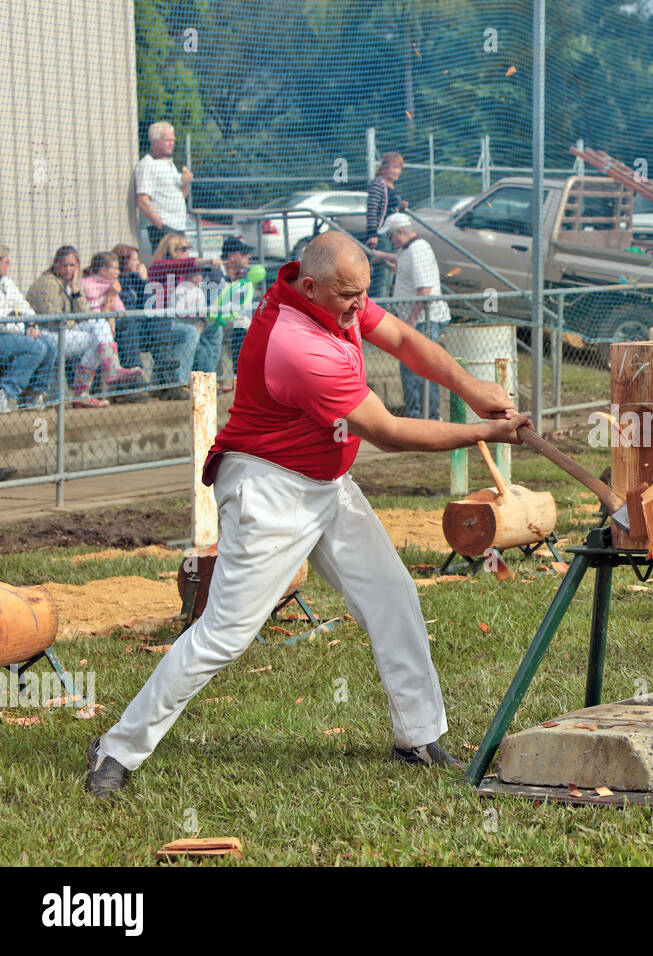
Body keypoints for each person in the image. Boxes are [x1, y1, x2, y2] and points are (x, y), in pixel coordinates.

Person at [84, 231, 528, 798]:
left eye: (362, 293)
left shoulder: (328, 291)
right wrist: (487, 431)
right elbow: (389, 433)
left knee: (393, 595)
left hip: (326, 481)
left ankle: (418, 736)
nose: (359, 306)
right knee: (224, 636)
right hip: (269, 488)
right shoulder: (297, 346)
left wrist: (467, 385)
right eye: (348, 296)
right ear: (311, 286)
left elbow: (402, 338)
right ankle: (117, 748)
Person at [27, 246, 130, 408]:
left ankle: (108, 372)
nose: (68, 269)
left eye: (72, 265)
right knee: (97, 341)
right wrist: (76, 321)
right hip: (46, 334)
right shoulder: (48, 283)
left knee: (100, 324)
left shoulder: (73, 282)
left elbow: (85, 313)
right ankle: (84, 391)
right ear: (55, 265)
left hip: (67, 330)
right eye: (64, 265)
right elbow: (54, 320)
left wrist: (75, 291)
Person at [377, 212, 451, 420]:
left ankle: (427, 415)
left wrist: (411, 319)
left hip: (422, 321)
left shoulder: (417, 250)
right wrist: (384, 256)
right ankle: (417, 413)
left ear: (400, 232)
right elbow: (405, 264)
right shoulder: (407, 250)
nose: (391, 240)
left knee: (420, 368)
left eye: (391, 236)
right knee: (411, 367)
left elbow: (424, 289)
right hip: (414, 320)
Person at [0, 242, 59, 414]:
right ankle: (4, 391)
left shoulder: (6, 282)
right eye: (5, 261)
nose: (9, 264)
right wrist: (23, 329)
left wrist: (32, 324)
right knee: (36, 347)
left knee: (50, 343)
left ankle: (33, 393)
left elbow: (24, 307)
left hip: (15, 332)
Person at [146, 231, 213, 399]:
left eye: (187, 248)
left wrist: (202, 323)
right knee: (189, 333)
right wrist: (208, 260)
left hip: (175, 320)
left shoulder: (182, 274)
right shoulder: (159, 266)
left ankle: (209, 381)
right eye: (182, 249)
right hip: (156, 323)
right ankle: (179, 383)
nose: (186, 252)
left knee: (211, 331)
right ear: (169, 251)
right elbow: (178, 266)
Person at [76, 252, 146, 406]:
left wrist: (112, 309)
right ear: (103, 271)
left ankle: (81, 395)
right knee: (101, 325)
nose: (118, 272)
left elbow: (121, 311)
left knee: (98, 344)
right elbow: (93, 317)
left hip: (98, 332)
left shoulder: (111, 284)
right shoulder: (87, 284)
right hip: (80, 327)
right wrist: (109, 298)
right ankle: (113, 370)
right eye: (114, 268)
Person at [206, 236, 260, 386]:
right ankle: (241, 376)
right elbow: (214, 306)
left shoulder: (243, 277)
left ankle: (249, 375)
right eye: (243, 254)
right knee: (242, 324)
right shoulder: (215, 275)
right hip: (215, 321)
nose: (248, 256)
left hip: (236, 322)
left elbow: (251, 303)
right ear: (231, 256)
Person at [134, 121, 192, 252]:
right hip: (164, 228)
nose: (172, 144)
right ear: (155, 141)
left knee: (179, 266)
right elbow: (142, 199)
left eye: (173, 140)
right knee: (168, 267)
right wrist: (160, 225)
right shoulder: (147, 165)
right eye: (167, 140)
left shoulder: (169, 164)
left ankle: (175, 275)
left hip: (179, 225)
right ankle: (169, 275)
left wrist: (185, 182)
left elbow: (180, 196)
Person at [364, 151, 409, 297]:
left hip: (392, 234)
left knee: (390, 273)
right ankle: (379, 306)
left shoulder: (391, 185)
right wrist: (373, 234)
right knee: (382, 275)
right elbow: (372, 210)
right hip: (381, 234)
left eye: (399, 168)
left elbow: (389, 208)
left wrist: (400, 206)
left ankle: (385, 306)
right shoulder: (378, 184)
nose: (397, 171)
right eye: (394, 167)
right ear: (384, 167)